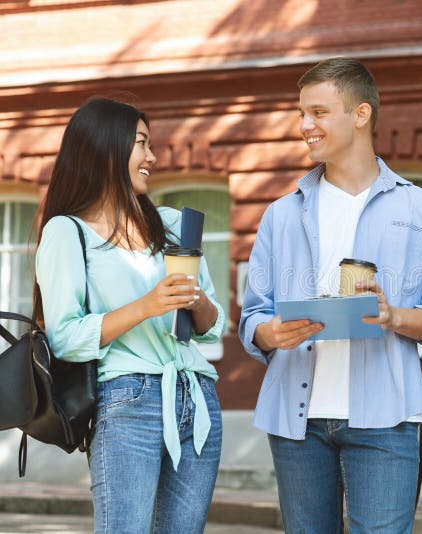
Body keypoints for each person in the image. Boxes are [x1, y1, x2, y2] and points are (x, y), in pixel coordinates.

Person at [238, 57, 422, 533]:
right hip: (296, 421)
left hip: (386, 418)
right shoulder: (281, 214)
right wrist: (269, 333)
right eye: (302, 113)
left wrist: (395, 316)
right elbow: (253, 314)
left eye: (319, 113)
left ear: (361, 115)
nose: (305, 125)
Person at [35, 97, 225, 533]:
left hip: (196, 397)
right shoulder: (67, 232)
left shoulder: (174, 224)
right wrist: (146, 306)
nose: (152, 157)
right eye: (141, 144)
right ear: (106, 148)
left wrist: (196, 302)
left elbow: (212, 329)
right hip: (127, 402)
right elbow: (64, 337)